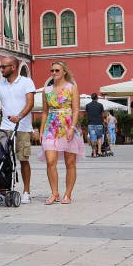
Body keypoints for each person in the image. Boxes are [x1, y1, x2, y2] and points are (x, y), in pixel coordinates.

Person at [0, 57, 36, 203]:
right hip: (5, 128)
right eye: (0, 67)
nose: (1, 70)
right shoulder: (0, 85)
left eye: (3, 67)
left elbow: (30, 102)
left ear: (13, 67)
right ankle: (3, 190)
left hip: (23, 127)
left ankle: (26, 191)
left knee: (23, 159)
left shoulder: (26, 82)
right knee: (3, 160)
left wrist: (19, 117)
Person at [38, 61, 84, 204]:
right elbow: (44, 111)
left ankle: (68, 194)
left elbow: (76, 110)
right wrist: (41, 130)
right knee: (50, 161)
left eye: (57, 70)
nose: (54, 73)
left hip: (68, 125)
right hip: (51, 128)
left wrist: (72, 128)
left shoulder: (72, 88)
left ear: (64, 72)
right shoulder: (46, 90)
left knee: (70, 163)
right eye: (52, 71)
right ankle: (54, 193)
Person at [85, 93, 104, 157]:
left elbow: (86, 114)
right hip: (99, 124)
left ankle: (94, 153)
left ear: (91, 98)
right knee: (99, 137)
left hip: (91, 124)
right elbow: (102, 114)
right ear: (97, 98)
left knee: (93, 139)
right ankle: (99, 151)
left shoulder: (87, 105)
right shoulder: (100, 105)